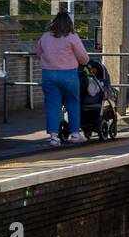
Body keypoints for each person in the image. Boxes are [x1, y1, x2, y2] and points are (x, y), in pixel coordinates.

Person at [37, 9, 90, 147]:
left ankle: (54, 137)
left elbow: (39, 54)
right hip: (68, 74)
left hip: (48, 74)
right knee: (72, 103)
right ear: (69, 24)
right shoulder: (72, 37)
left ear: (53, 23)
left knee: (52, 105)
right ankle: (75, 134)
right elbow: (84, 59)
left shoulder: (45, 37)